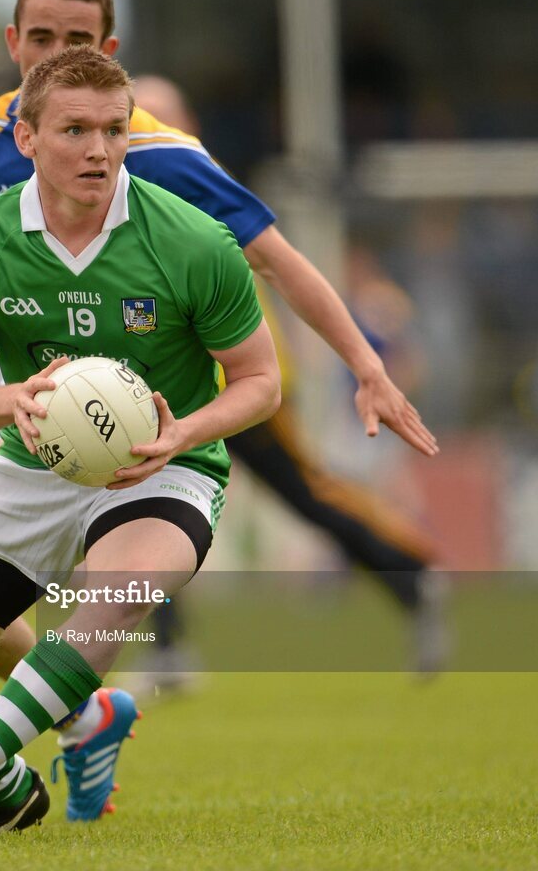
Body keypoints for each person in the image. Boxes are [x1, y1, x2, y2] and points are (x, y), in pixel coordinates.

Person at [0, 0, 437, 821]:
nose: (56, 56)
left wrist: (365, 365)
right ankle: (78, 716)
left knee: (137, 577)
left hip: (159, 410)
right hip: (39, 405)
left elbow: (275, 259)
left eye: (76, 40)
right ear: (13, 43)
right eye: (41, 38)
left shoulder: (159, 158)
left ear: (108, 50)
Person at [0, 44, 281, 838]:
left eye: (113, 130)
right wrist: (12, 401)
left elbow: (260, 381)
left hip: (162, 470)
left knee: (115, 596)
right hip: (31, 463)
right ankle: (8, 792)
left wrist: (184, 431)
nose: (99, 149)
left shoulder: (194, 241)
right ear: (25, 138)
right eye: (74, 131)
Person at [127, 76, 445, 692]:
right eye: (137, 119)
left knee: (305, 494)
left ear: (188, 127)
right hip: (165, 390)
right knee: (141, 504)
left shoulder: (198, 184)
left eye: (159, 118)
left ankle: (412, 573)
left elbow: (274, 268)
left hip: (240, 386)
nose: (144, 132)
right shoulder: (111, 195)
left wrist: (364, 366)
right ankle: (167, 652)